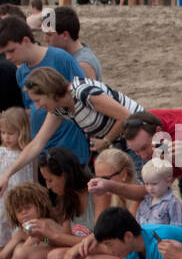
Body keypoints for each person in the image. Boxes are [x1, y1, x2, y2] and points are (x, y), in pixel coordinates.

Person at [9, 68, 141, 181]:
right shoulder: (59, 108)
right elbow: (37, 143)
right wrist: (7, 175)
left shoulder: (82, 93)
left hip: (141, 135)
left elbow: (128, 117)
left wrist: (106, 140)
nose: (37, 107)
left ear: (49, 92)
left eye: (38, 100)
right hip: (123, 144)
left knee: (144, 186)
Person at [0, 16, 91, 168]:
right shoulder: (20, 72)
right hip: (41, 151)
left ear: (26, 41)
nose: (8, 57)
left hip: (71, 149)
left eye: (11, 51)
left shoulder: (60, 58)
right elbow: (32, 109)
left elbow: (85, 94)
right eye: (4, 53)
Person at [1, 180, 50, 259]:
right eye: (19, 210)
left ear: (40, 205)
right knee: (19, 248)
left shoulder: (42, 224)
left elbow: (23, 252)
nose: (24, 212)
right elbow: (4, 254)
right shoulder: (23, 231)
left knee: (24, 252)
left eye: (28, 208)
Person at [0, 106, 31, 249]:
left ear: (22, 131)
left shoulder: (27, 154)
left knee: (18, 234)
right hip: (3, 200)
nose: (6, 137)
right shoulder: (1, 152)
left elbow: (32, 178)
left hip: (20, 201)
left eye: (10, 133)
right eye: (3, 132)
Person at [44, 7, 102, 82]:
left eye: (49, 34)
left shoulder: (82, 65)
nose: (45, 39)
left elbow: (87, 93)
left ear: (65, 35)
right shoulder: (71, 56)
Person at [135, 156, 182, 228]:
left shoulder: (172, 203)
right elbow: (138, 223)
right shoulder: (144, 201)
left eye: (154, 184)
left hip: (163, 238)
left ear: (168, 181)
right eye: (146, 184)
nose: (150, 188)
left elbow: (177, 228)